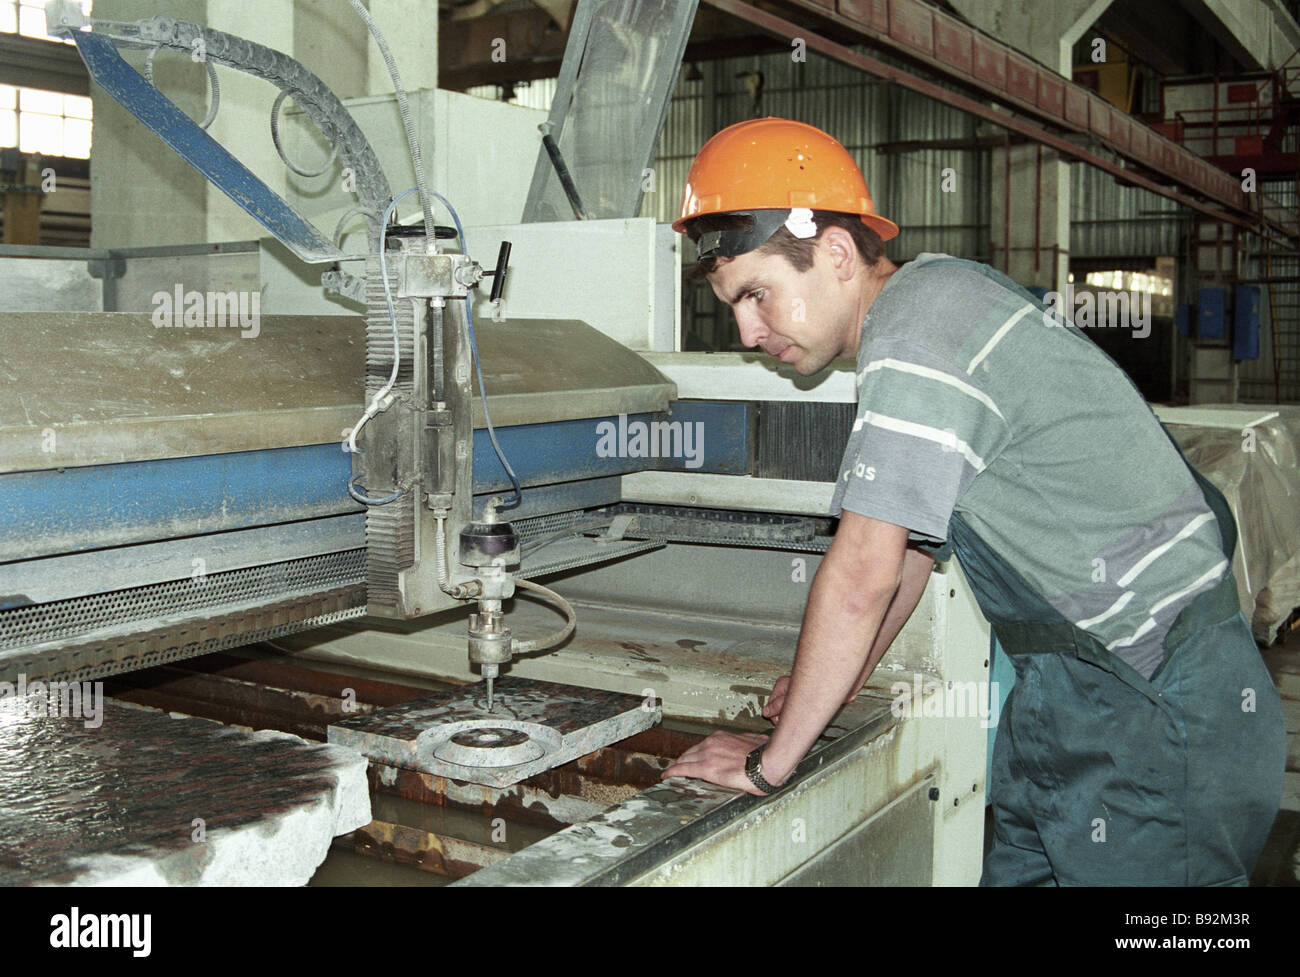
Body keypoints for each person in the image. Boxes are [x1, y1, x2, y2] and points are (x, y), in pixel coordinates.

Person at [659, 117, 1285, 886]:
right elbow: (913, 553)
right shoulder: (929, 309)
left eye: (757, 294)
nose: (748, 332)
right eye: (732, 306)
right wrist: (841, 684)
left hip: (1157, 711)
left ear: (835, 252)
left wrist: (767, 766)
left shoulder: (919, 326)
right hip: (1073, 700)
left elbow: (865, 570)